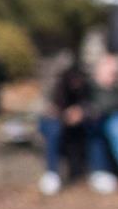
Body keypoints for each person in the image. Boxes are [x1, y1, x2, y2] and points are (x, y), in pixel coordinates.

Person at [36, 58, 111, 196]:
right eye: (73, 80)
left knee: (95, 128)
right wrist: (64, 115)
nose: (76, 83)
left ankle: (100, 172)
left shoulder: (90, 90)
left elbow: (98, 108)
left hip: (83, 127)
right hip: (57, 124)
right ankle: (51, 174)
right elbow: (46, 111)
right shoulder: (54, 89)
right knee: (53, 129)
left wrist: (83, 112)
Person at [87, 53, 118, 194]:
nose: (114, 73)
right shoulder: (92, 89)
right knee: (117, 126)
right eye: (110, 69)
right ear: (99, 70)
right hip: (112, 123)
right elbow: (102, 107)